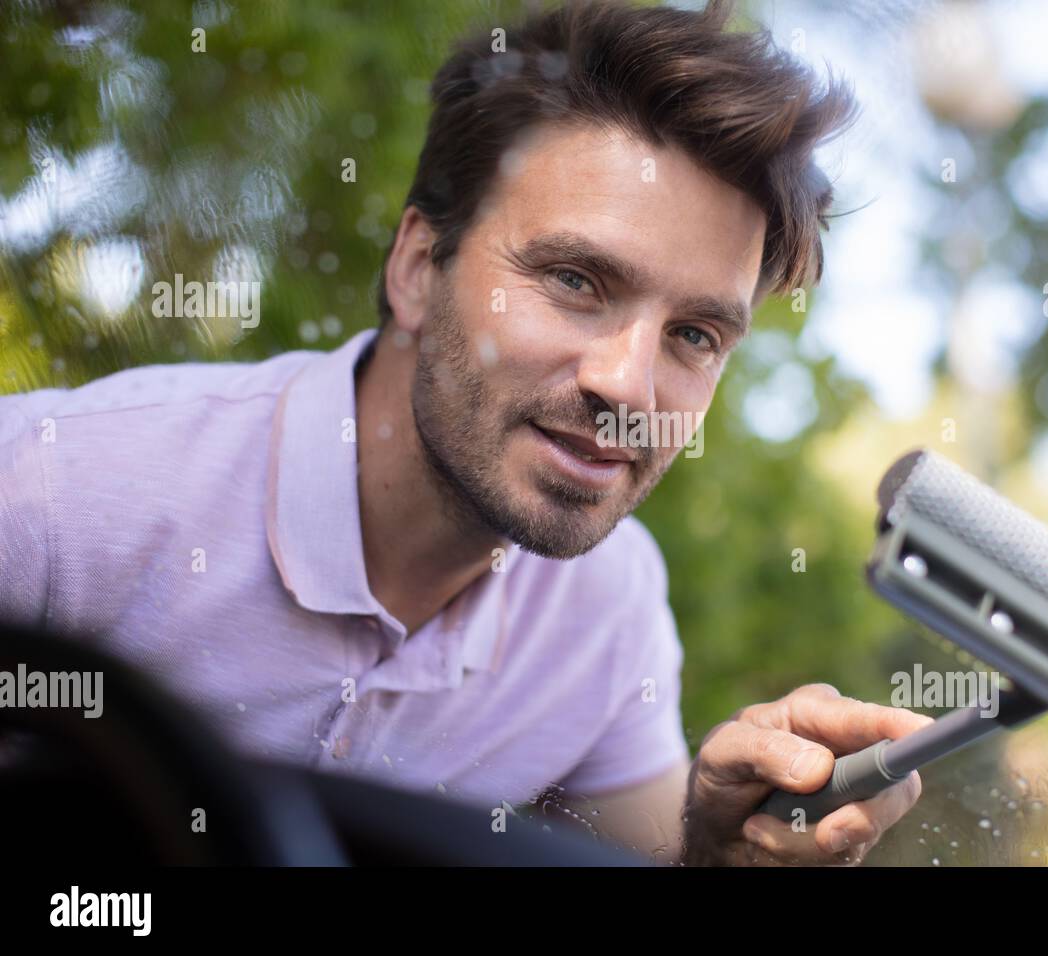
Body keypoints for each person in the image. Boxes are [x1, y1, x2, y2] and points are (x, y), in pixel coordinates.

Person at [0, 0, 930, 866]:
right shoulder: (54, 500)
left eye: (694, 335)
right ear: (415, 268)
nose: (627, 385)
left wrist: (722, 845)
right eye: (574, 281)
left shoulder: (607, 609)